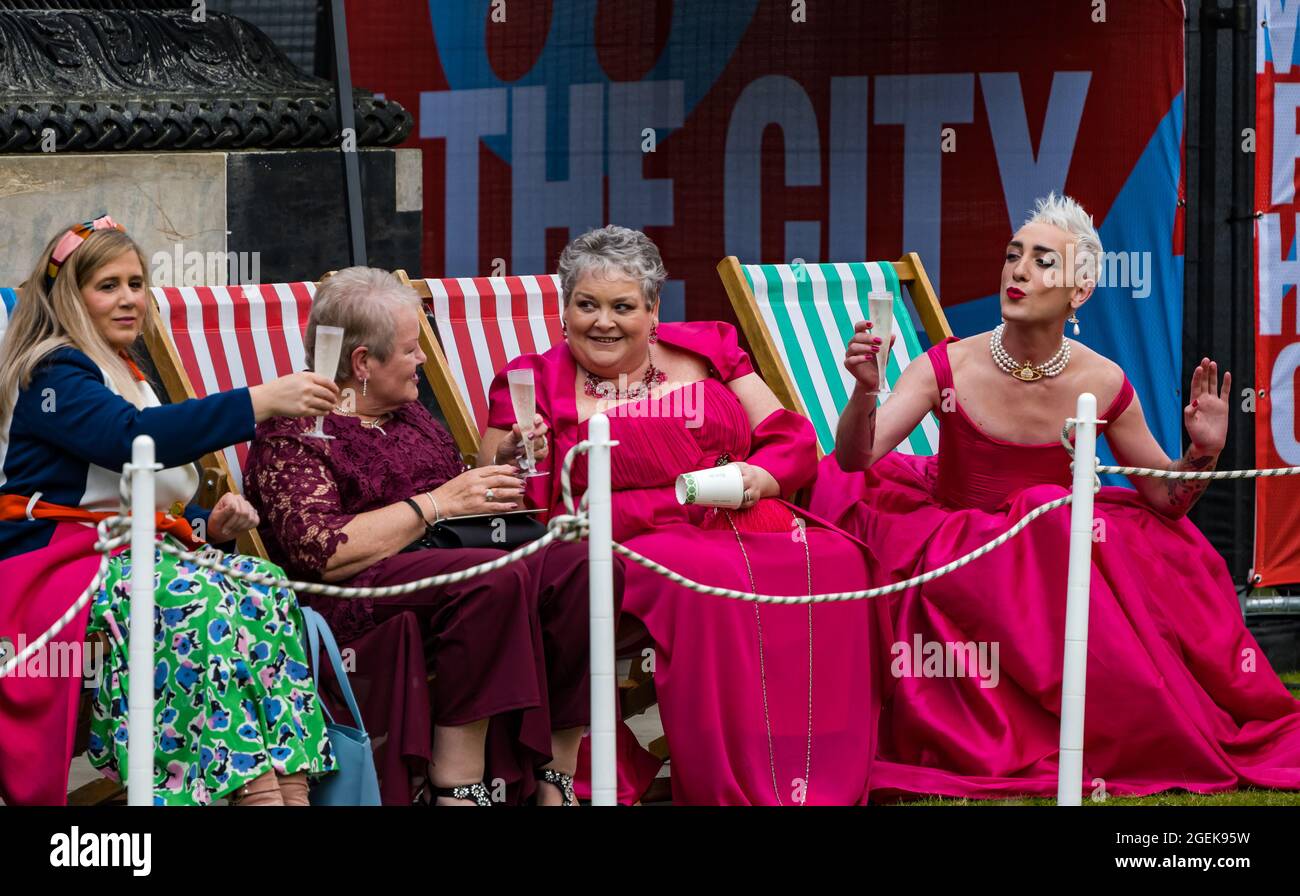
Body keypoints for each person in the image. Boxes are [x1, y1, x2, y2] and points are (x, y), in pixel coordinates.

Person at [815, 193, 1300, 799]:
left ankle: (1116, 725)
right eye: (1013, 255)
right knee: (1049, 522)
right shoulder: (949, 365)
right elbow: (857, 459)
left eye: (1044, 261)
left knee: (1088, 531)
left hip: (1053, 561)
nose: (1018, 270)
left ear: (1079, 293)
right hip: (956, 556)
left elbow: (1165, 500)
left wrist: (1201, 454)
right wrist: (864, 393)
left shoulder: (1101, 380)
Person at [482, 225, 888, 805]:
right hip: (624, 532)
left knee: (839, 559)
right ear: (564, 309)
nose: (602, 322)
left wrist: (765, 477)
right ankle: (732, 776)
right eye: (586, 304)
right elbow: (496, 486)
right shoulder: (533, 380)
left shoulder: (709, 347)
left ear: (653, 311)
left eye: (622, 306)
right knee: (710, 582)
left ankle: (812, 765)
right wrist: (516, 457)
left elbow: (790, 439)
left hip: (742, 508)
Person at [0, 216, 339, 805]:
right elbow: (130, 440)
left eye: (136, 282)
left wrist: (213, 526)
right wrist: (259, 400)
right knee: (196, 602)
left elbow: (146, 494)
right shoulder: (53, 370)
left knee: (264, 584)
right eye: (108, 285)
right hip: (52, 564)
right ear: (70, 298)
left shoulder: (127, 372)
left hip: (126, 557)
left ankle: (289, 786)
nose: (129, 297)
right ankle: (234, 790)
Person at [243, 267, 610, 805]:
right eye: (411, 350)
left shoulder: (410, 416)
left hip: (441, 567)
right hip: (356, 593)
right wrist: (438, 504)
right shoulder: (293, 432)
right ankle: (456, 781)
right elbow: (321, 551)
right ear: (363, 364)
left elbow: (453, 501)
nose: (423, 361)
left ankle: (555, 771)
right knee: (490, 579)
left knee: (585, 566)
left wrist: (495, 468)